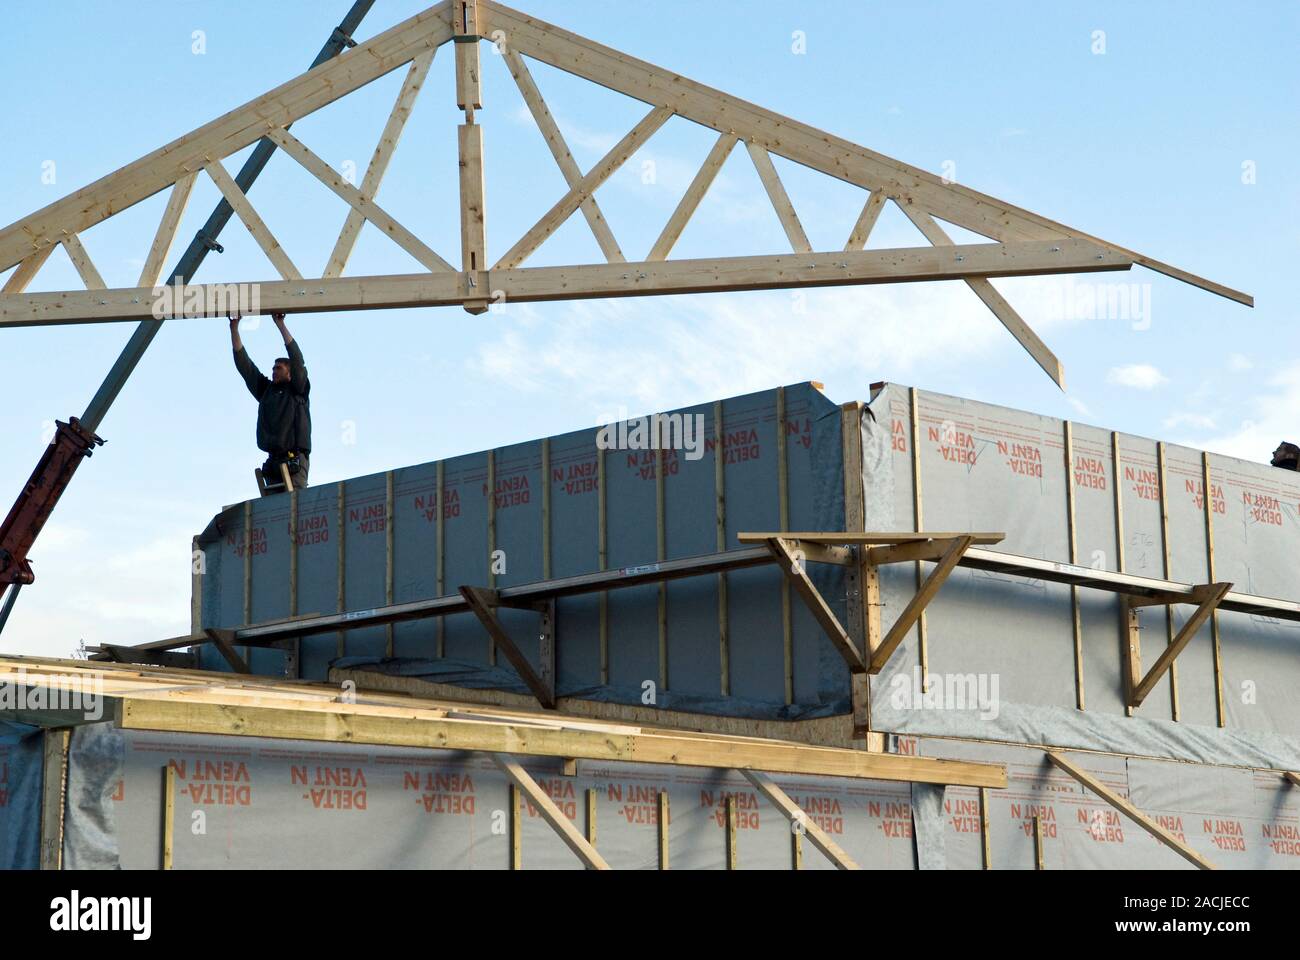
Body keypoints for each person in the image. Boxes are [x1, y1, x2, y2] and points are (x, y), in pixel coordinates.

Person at [229, 310, 312, 491]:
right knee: (276, 511)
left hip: (295, 460)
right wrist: (234, 328)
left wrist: (280, 324)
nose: (274, 371)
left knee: (295, 507)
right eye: (273, 368)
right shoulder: (266, 391)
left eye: (279, 368)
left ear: (290, 373)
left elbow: (298, 360)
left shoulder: (297, 390)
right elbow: (245, 366)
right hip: (274, 461)